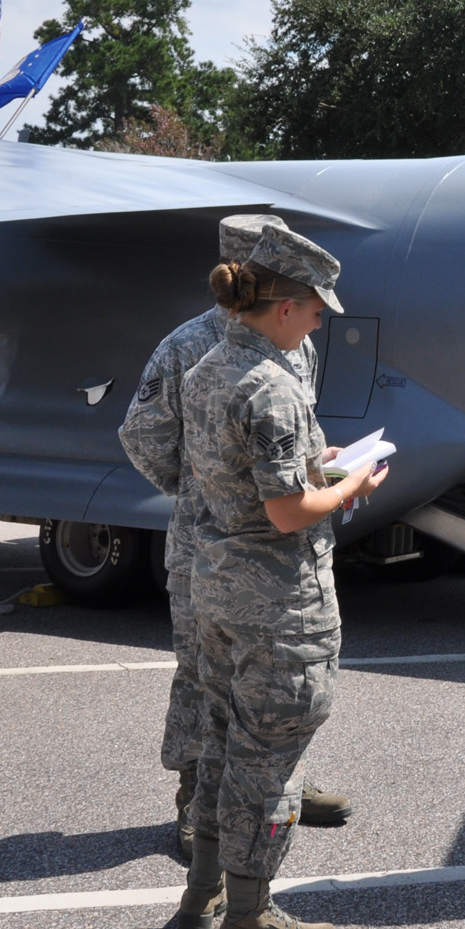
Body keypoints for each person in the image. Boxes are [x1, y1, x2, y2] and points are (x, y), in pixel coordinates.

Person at [169, 221, 388, 929]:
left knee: (225, 744)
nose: (323, 319)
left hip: (218, 589)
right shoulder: (272, 385)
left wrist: (312, 464)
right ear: (287, 307)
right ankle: (251, 916)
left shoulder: (209, 370)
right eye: (317, 307)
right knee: (270, 760)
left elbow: (237, 475)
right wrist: (354, 481)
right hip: (278, 602)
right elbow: (289, 511)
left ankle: (203, 893)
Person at [119, 215, 353, 863]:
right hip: (210, 540)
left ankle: (285, 786)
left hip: (270, 544)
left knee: (272, 684)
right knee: (207, 681)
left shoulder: (292, 342)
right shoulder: (188, 345)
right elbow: (141, 436)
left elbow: (292, 425)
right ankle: (196, 806)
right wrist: (200, 484)